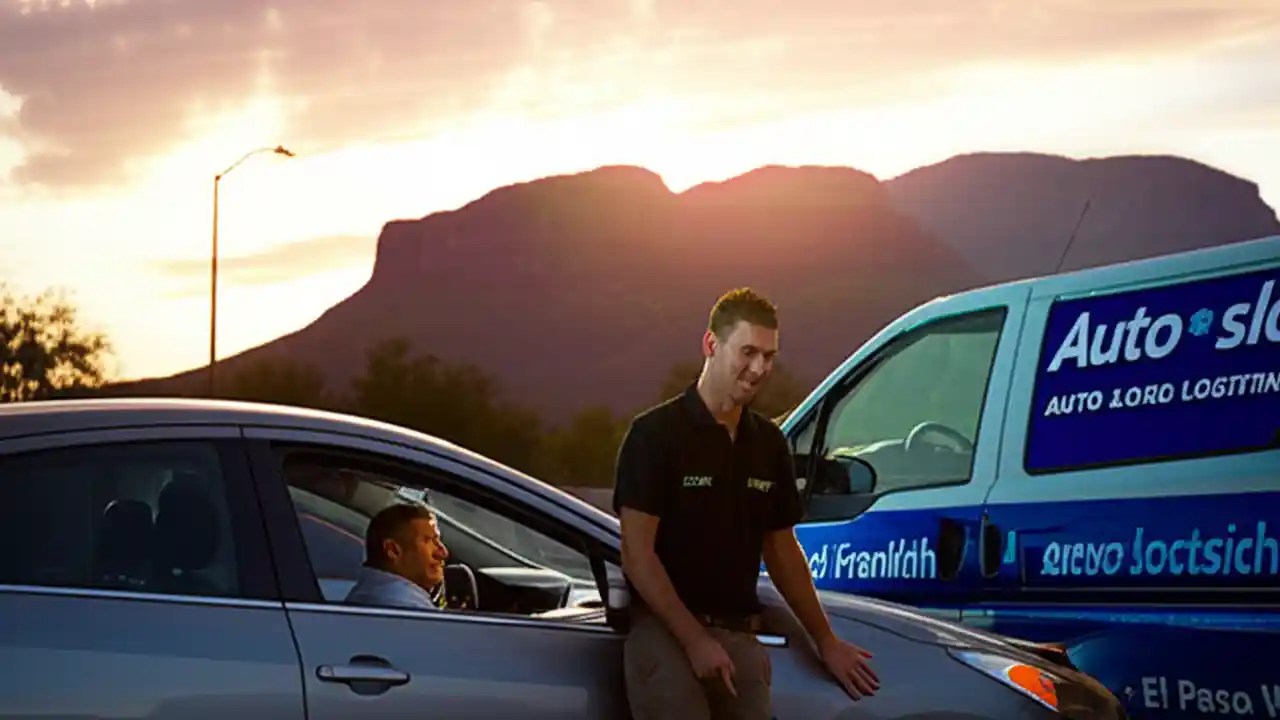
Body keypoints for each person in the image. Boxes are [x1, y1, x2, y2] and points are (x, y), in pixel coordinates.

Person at [614, 287, 879, 720]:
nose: (759, 369)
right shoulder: (654, 435)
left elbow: (782, 552)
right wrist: (695, 640)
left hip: (740, 639)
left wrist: (826, 642)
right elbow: (636, 554)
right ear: (711, 345)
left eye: (769, 356)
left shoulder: (768, 443)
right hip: (664, 635)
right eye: (748, 352)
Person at [345, 503, 450, 611]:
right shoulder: (409, 608)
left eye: (437, 540)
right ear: (393, 550)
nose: (443, 552)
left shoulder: (366, 593)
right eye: (428, 540)